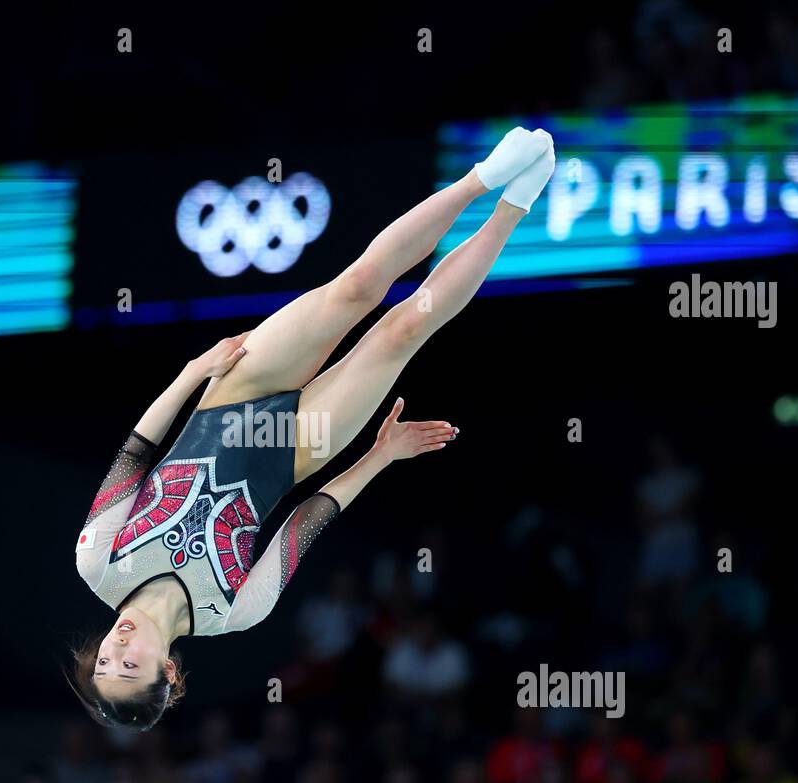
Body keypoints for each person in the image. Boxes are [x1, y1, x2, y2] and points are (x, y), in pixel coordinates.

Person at [71, 128, 557, 729]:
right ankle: (517, 204)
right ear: (167, 671)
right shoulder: (233, 612)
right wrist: (378, 456)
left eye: (105, 662)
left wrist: (195, 372)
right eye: (130, 667)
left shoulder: (96, 564)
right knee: (404, 330)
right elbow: (306, 520)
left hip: (229, 397)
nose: (117, 650)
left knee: (356, 288)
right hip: (296, 447)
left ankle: (479, 179)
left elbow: (136, 452)